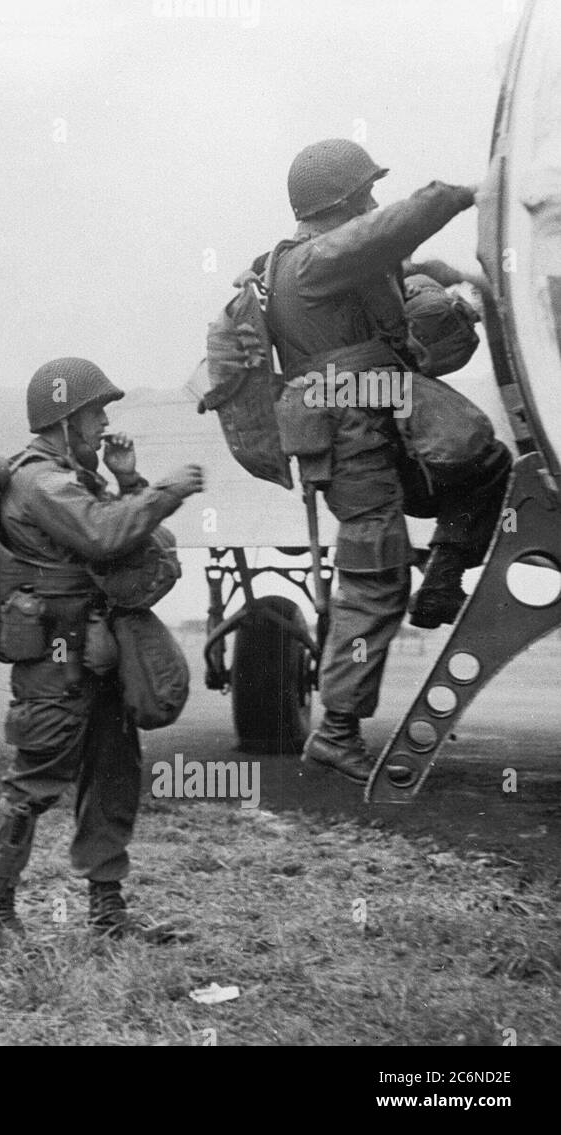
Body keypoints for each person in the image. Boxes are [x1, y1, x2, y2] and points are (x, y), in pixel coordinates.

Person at [266, 139, 512, 783]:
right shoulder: (315, 260)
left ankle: (444, 576)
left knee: (482, 465)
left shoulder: (313, 269)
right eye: (365, 194)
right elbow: (389, 229)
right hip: (354, 436)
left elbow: (386, 265)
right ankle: (337, 732)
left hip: (373, 425)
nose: (373, 201)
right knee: (375, 580)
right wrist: (469, 192)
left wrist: (443, 272)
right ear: (343, 202)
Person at [0, 358, 204, 949]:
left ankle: (107, 911)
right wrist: (166, 491)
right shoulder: (40, 480)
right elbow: (102, 534)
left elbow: (125, 539)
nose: (104, 423)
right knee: (32, 785)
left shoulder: (76, 477)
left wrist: (128, 480)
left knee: (113, 779)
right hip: (55, 663)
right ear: (66, 418)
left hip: (98, 657)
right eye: (96, 412)